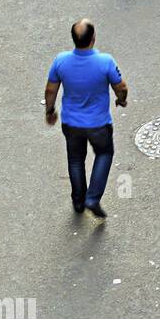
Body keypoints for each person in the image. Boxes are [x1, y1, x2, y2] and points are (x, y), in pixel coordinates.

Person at [45, 19, 128, 219]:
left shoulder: (61, 61)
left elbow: (50, 89)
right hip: (99, 124)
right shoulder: (105, 61)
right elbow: (121, 87)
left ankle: (78, 201)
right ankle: (93, 197)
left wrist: (50, 111)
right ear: (93, 38)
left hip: (71, 123)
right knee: (104, 154)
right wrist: (121, 100)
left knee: (75, 160)